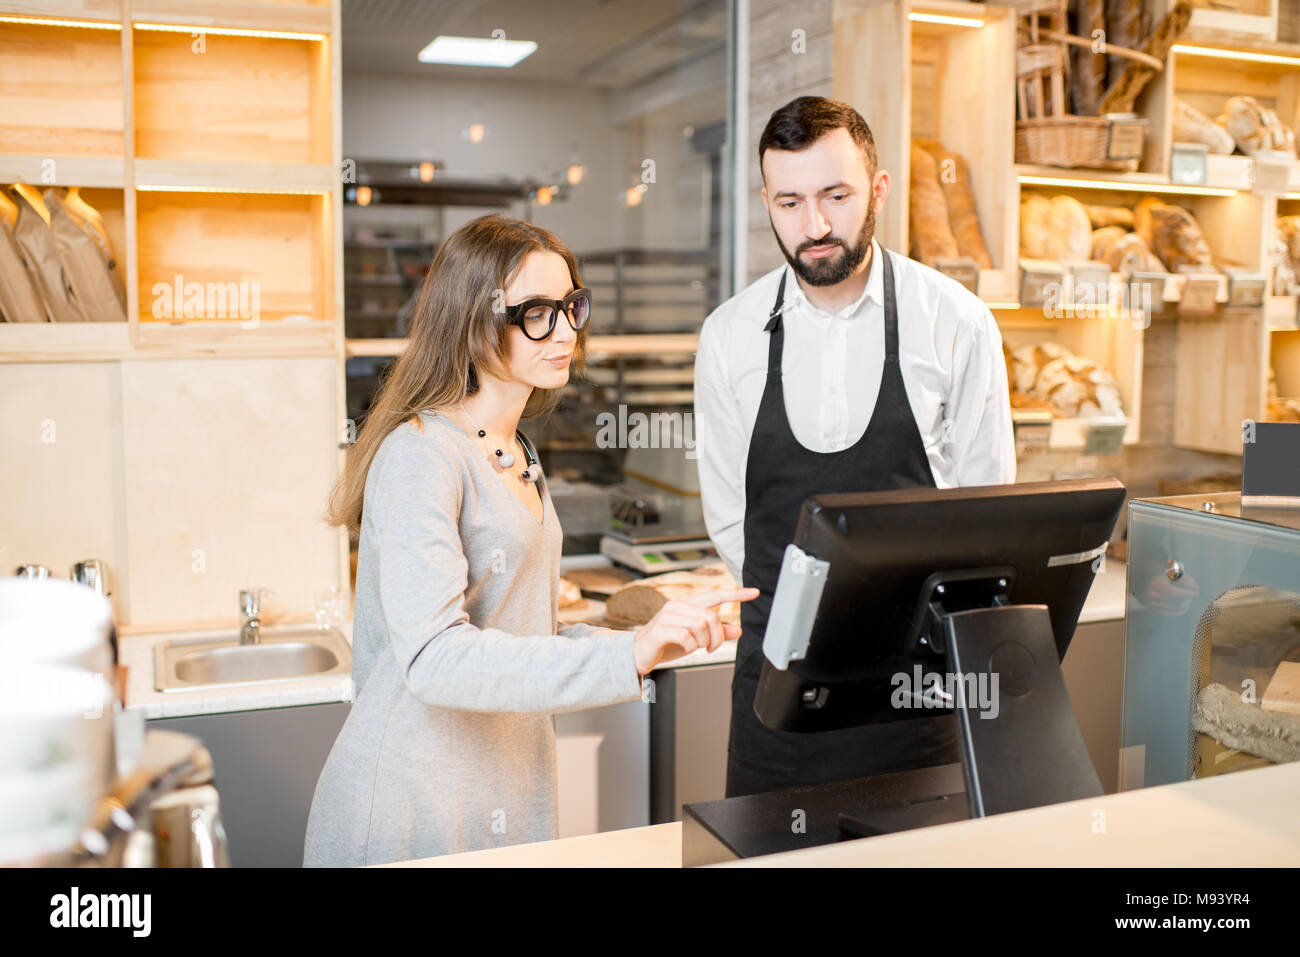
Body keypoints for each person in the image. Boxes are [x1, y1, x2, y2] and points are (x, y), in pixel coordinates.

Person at [305, 214, 757, 866]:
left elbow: (529, 639)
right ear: (472, 320)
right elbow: (435, 657)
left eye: (572, 305)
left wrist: (657, 638)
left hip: (502, 788)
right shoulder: (422, 456)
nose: (567, 331)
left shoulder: (519, 452)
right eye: (537, 313)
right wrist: (626, 653)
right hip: (413, 803)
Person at [694, 96, 1016, 799]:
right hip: (778, 696)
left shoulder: (957, 322)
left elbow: (984, 511)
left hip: (916, 698)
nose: (813, 226)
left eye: (835, 196)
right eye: (789, 202)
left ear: (878, 189)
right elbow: (730, 520)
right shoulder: (729, 335)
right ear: (766, 201)